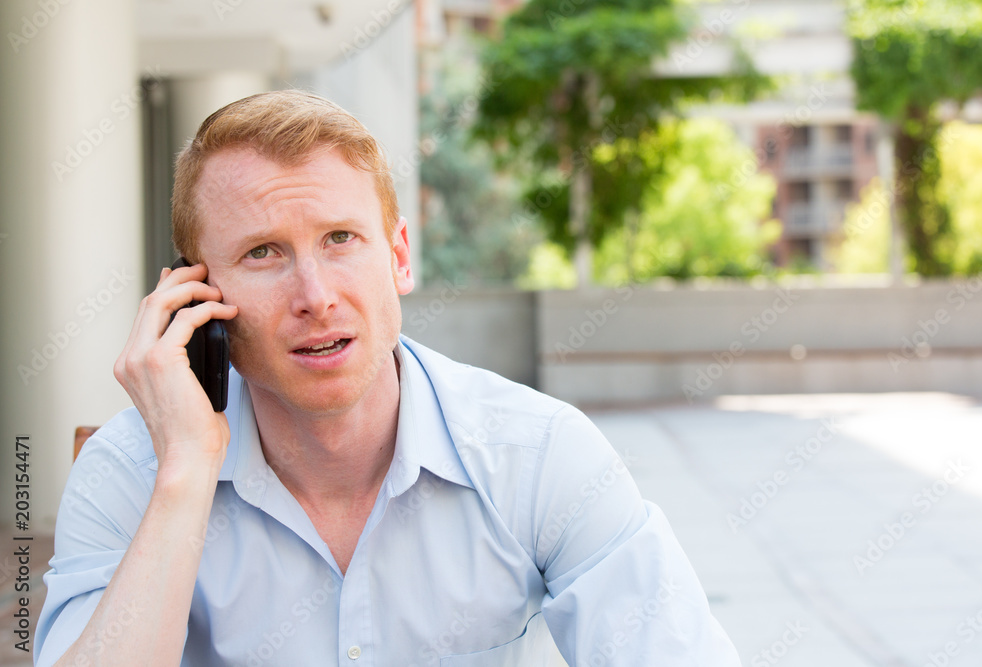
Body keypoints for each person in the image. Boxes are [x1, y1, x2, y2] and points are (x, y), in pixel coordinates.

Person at [36, 90, 740, 666]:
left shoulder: (540, 454)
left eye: (341, 238)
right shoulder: (132, 473)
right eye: (263, 252)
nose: (315, 294)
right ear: (198, 296)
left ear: (399, 256)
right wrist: (187, 471)